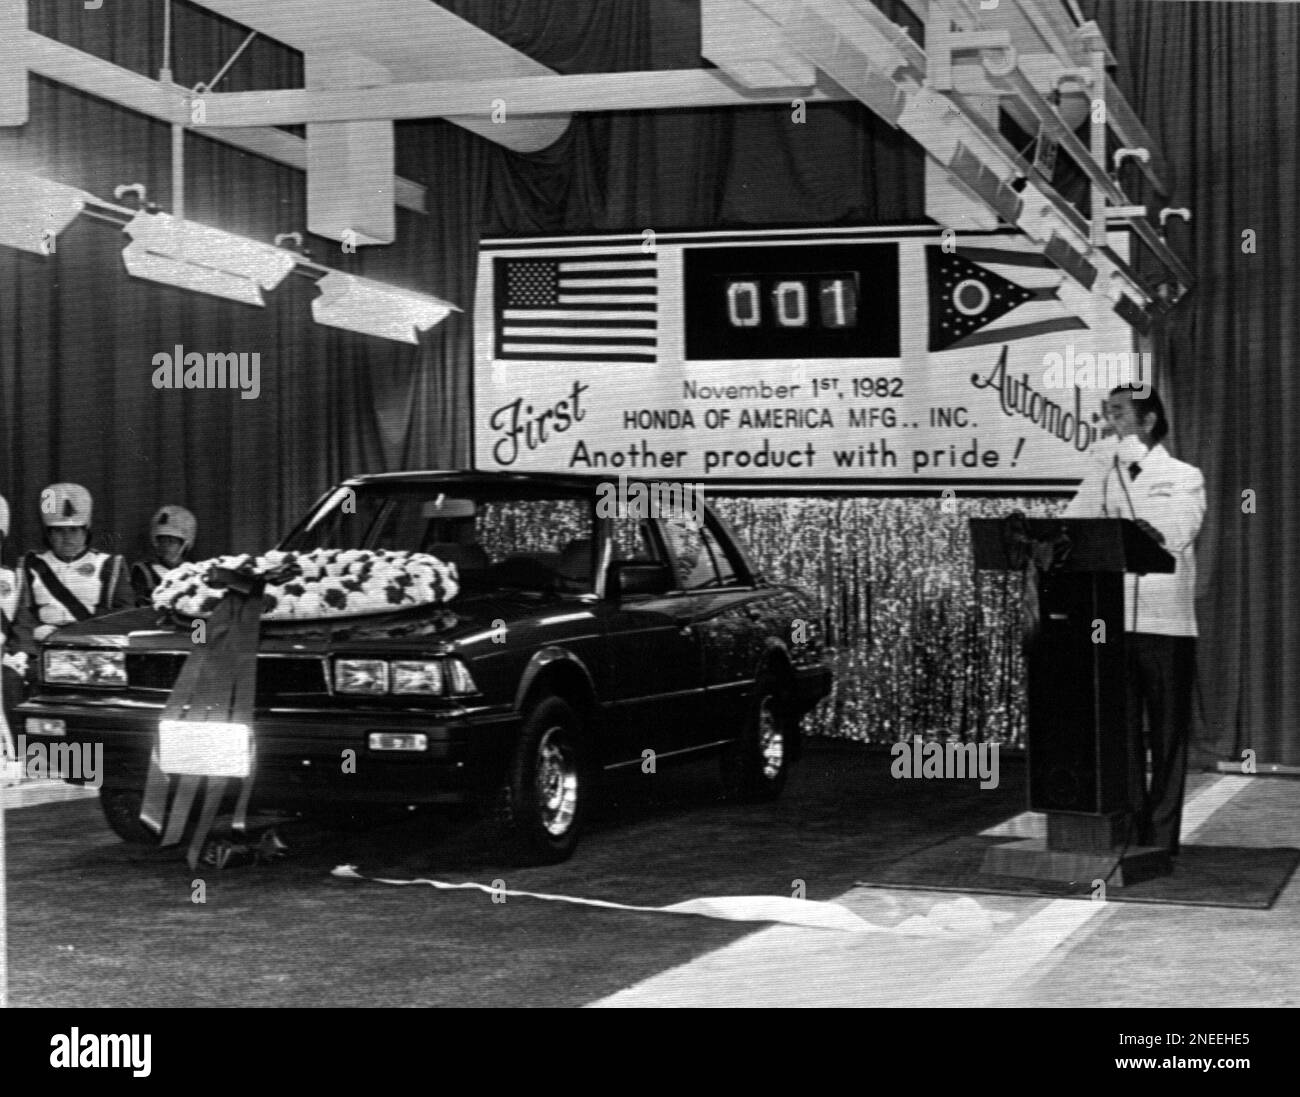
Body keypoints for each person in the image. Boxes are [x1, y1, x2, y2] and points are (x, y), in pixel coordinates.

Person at [1064, 385, 1205, 855]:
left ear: (1148, 422)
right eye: (1107, 414)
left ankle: (1161, 839)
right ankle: (1125, 832)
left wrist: (1128, 477)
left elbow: (1174, 534)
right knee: (1118, 733)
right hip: (1115, 621)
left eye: (1120, 414)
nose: (1110, 422)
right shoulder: (1103, 474)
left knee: (1166, 736)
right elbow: (1072, 526)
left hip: (1166, 626)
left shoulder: (1184, 476)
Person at [13, 483, 133, 659]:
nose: (67, 537)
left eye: (74, 530)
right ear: (48, 534)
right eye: (59, 531)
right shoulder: (30, 565)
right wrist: (34, 631)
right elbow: (19, 614)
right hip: (41, 648)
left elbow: (125, 613)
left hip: (95, 649)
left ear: (86, 531)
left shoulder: (109, 564)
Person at [131, 504, 197, 606]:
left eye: (172, 541)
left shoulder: (194, 573)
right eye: (162, 540)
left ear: (185, 544)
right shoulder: (144, 571)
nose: (166, 545)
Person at [1, 493, 23, 762]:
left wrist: (13, 652)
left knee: (10, 679)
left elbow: (19, 625)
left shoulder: (9, 577)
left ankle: (15, 756)